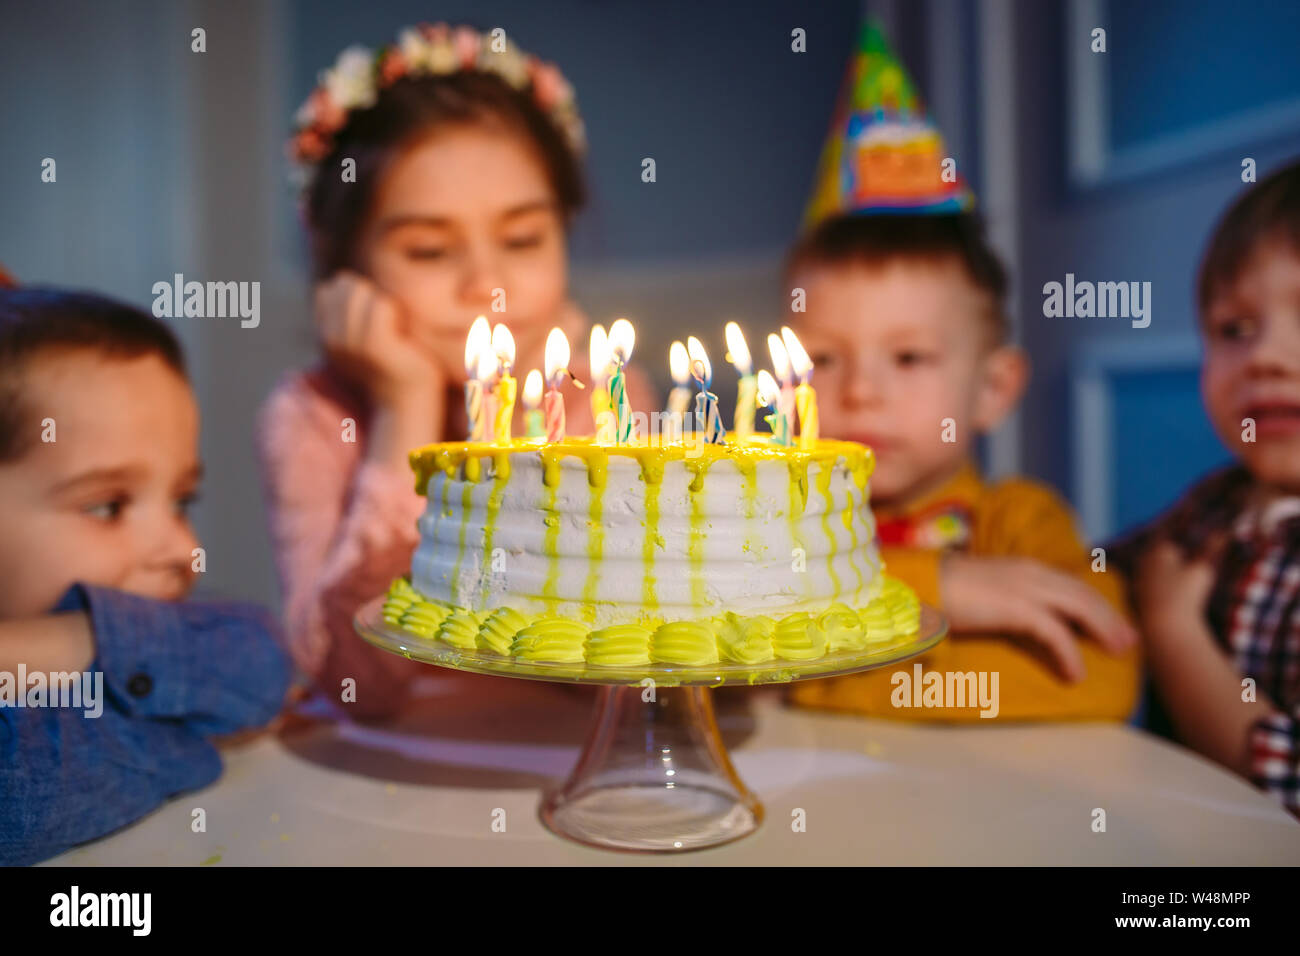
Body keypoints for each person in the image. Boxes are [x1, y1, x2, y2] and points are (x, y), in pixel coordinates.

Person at [259, 23, 650, 719]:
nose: (487, 285)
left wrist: (519, 430)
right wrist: (402, 412)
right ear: (346, 270)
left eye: (523, 239)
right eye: (431, 251)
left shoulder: (599, 391)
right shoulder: (311, 417)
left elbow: (621, 661)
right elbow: (356, 687)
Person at [784, 24, 1139, 721]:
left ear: (993, 389)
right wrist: (936, 585)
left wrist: (813, 673)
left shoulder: (1019, 525)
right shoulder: (774, 525)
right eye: (822, 358)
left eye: (910, 357)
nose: (859, 392)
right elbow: (720, 641)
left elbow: (1096, 675)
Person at [0, 288, 289, 865]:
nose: (185, 547)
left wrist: (70, 640)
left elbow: (260, 653)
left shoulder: (106, 623)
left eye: (184, 499)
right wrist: (192, 739)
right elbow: (16, 799)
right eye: (107, 506)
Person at [1116, 160, 1300, 816]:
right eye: (1233, 331)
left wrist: (1172, 628)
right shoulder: (1217, 503)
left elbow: (1285, 782)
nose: (1266, 357)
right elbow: (1104, 573)